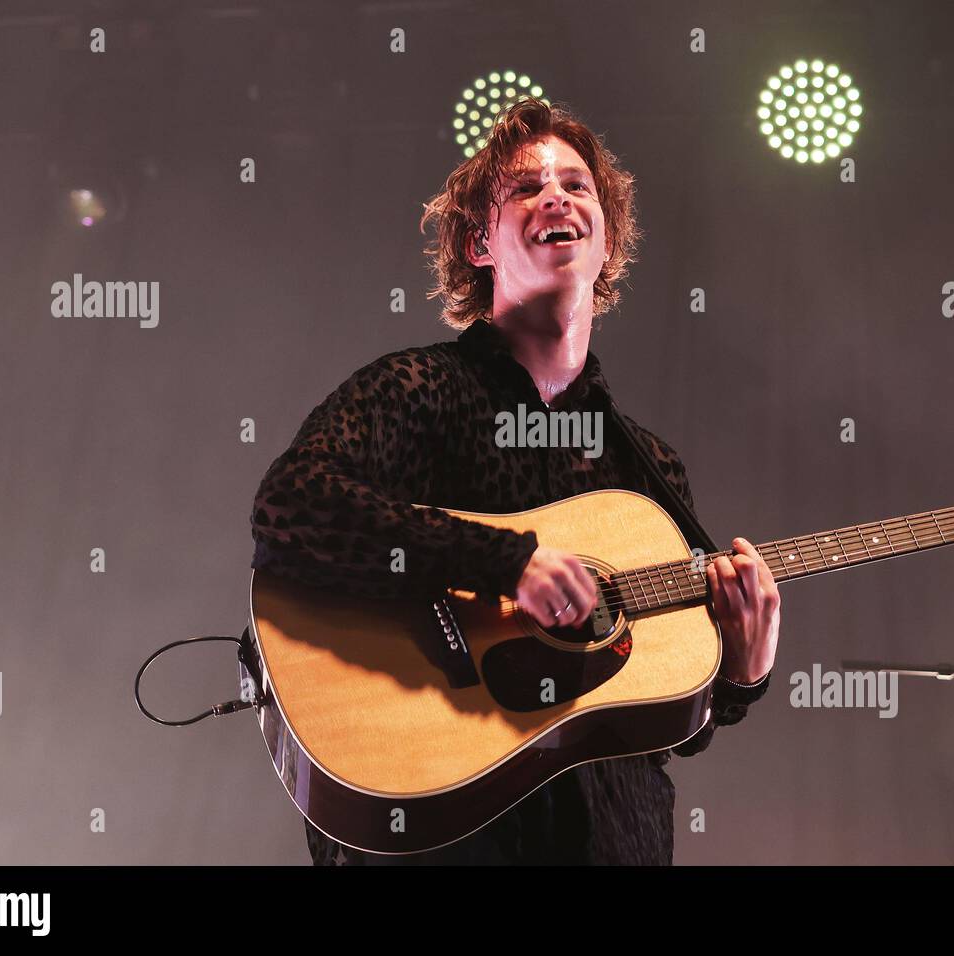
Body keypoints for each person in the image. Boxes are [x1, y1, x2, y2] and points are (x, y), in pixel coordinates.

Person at [250, 98, 781, 865]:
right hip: (445, 833)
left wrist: (741, 675)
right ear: (479, 243)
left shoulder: (648, 469)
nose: (557, 197)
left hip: (614, 842)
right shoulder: (420, 390)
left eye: (577, 185)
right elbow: (291, 509)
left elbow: (661, 721)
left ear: (608, 242)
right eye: (527, 189)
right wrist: (508, 561)